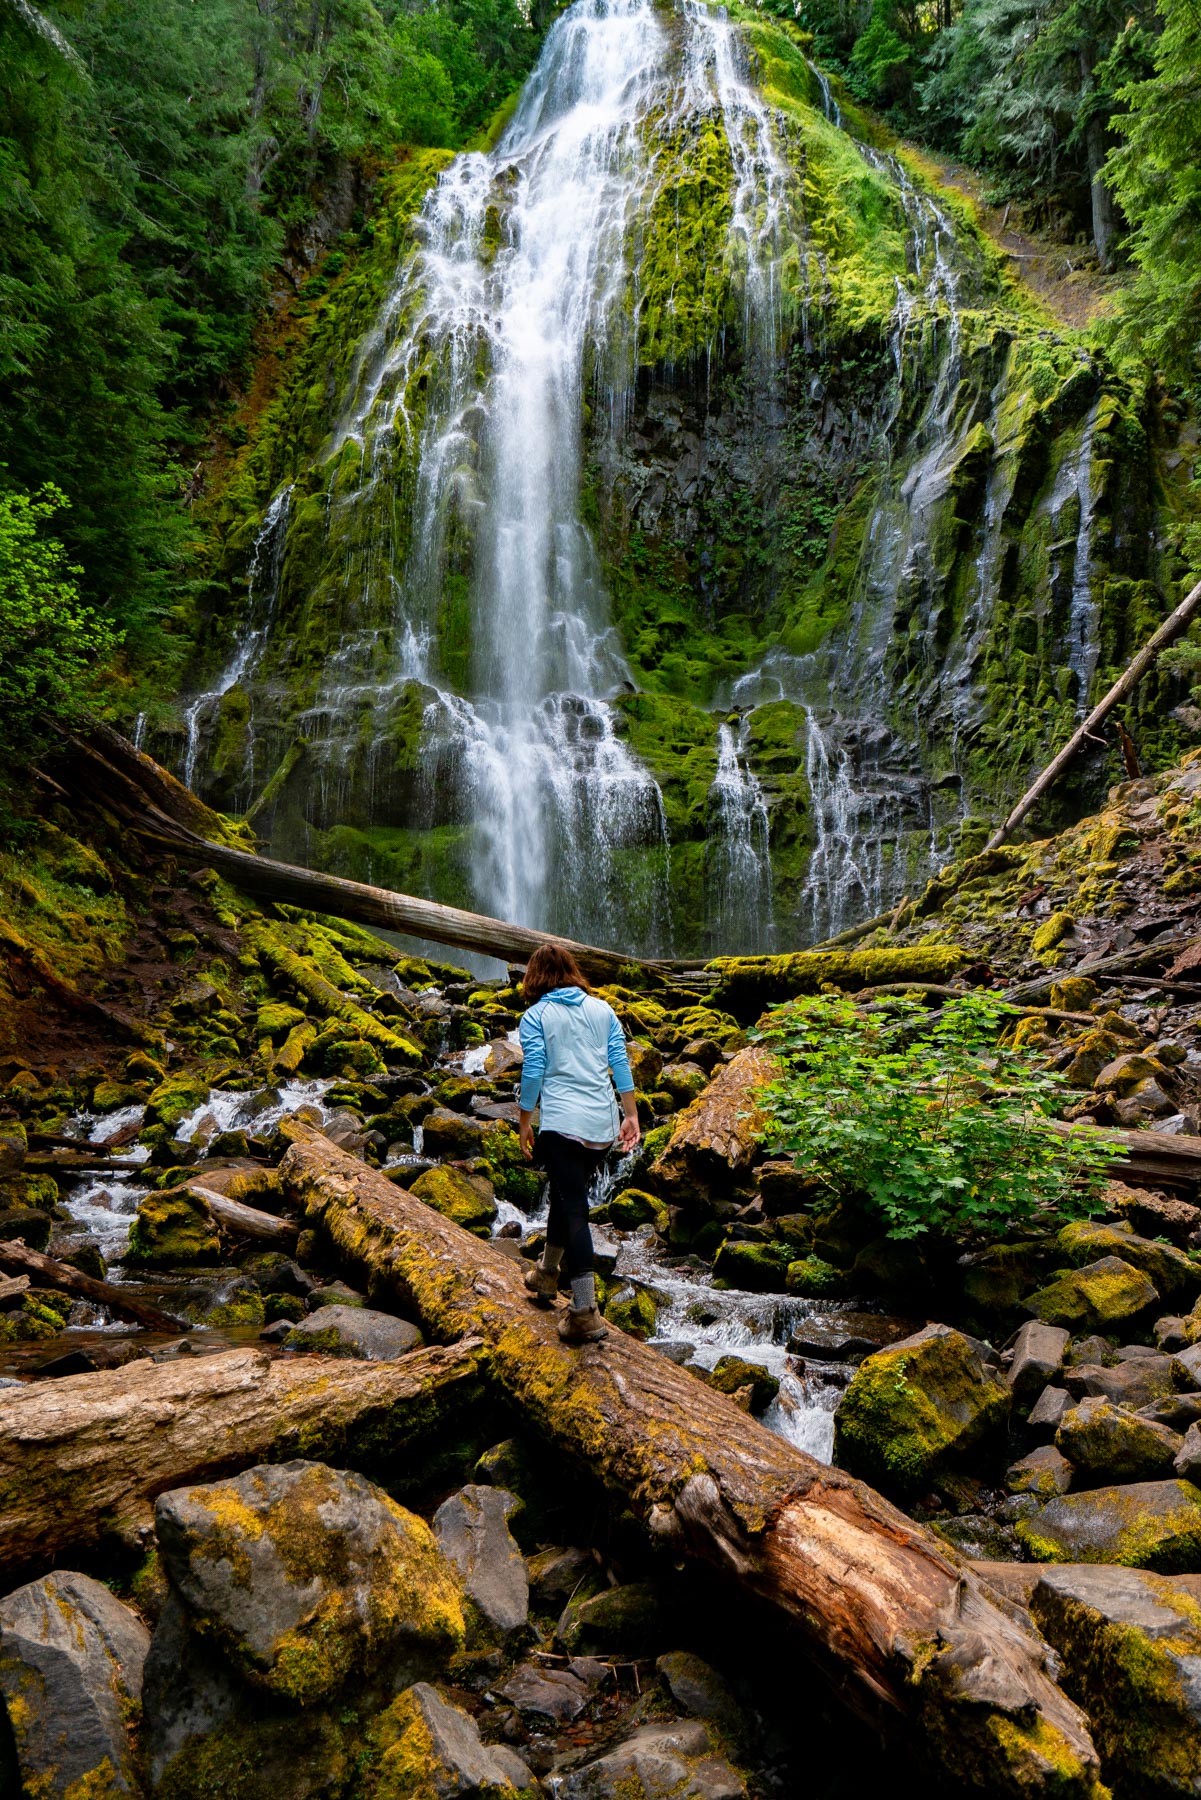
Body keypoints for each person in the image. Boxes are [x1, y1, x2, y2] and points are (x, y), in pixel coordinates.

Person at [517, 943, 640, 1343]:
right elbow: (619, 1064)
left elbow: (534, 1068)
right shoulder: (603, 1010)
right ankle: (547, 1274)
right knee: (567, 1196)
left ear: (534, 977)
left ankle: (585, 1311)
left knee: (574, 1210)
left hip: (562, 1125)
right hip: (602, 1127)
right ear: (572, 971)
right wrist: (630, 1114)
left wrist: (524, 1119)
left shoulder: (535, 1016)